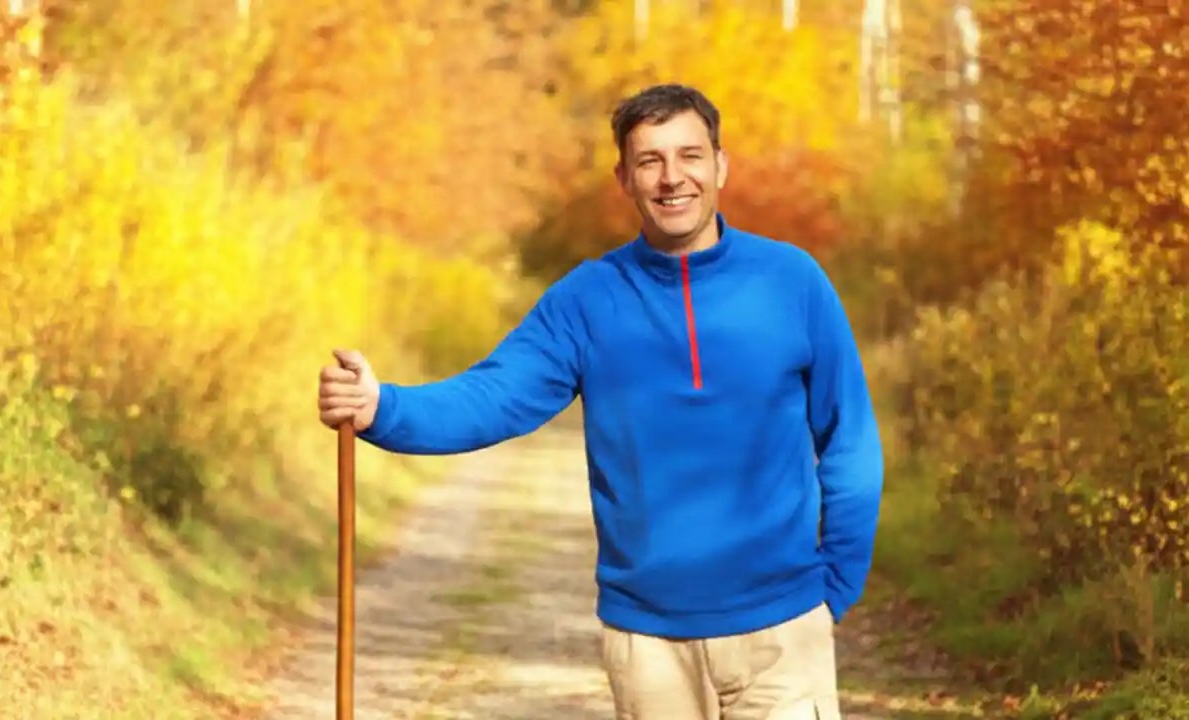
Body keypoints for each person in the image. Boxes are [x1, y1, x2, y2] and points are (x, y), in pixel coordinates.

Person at [317, 83, 883, 720]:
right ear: (625, 179)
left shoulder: (793, 281)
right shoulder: (587, 299)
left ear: (720, 165)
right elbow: (494, 395)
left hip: (783, 633)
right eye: (651, 161)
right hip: (648, 644)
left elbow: (850, 440)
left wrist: (835, 585)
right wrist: (382, 407)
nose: (673, 178)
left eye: (690, 156)